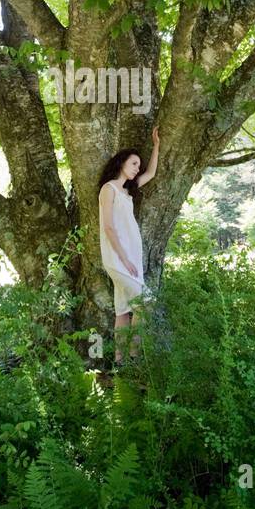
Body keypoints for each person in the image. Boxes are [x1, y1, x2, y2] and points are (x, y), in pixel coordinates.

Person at [98, 127, 159, 365]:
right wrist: (124, 259)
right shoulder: (109, 189)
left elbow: (151, 173)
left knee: (123, 312)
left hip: (131, 259)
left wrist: (156, 145)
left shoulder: (127, 191)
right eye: (134, 163)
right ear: (122, 162)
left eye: (138, 165)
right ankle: (134, 357)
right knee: (146, 304)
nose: (137, 168)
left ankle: (120, 362)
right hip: (118, 260)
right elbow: (109, 228)